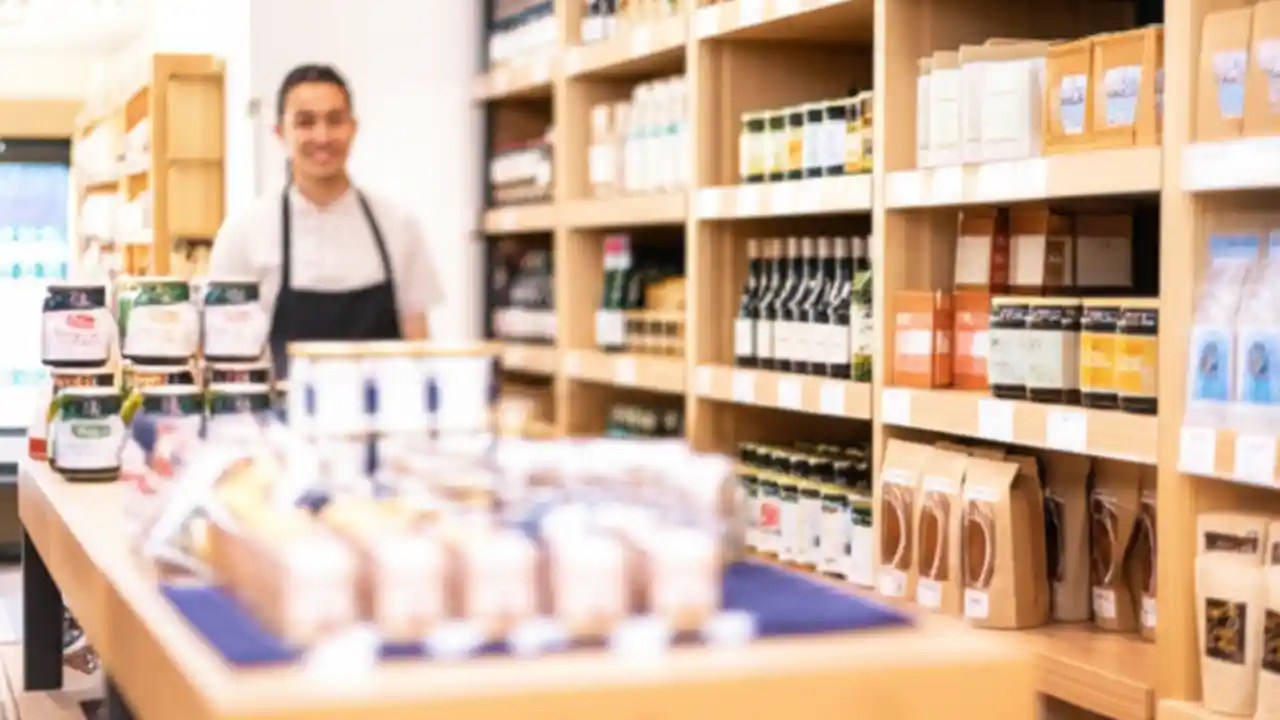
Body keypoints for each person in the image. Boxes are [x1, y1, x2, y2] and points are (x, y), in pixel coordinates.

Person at [210, 63, 443, 376]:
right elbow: (225, 360)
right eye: (305, 122)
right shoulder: (244, 232)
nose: (322, 136)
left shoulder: (397, 225)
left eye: (335, 120)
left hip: (382, 420)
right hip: (281, 420)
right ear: (280, 132)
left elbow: (418, 345)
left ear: (353, 127)